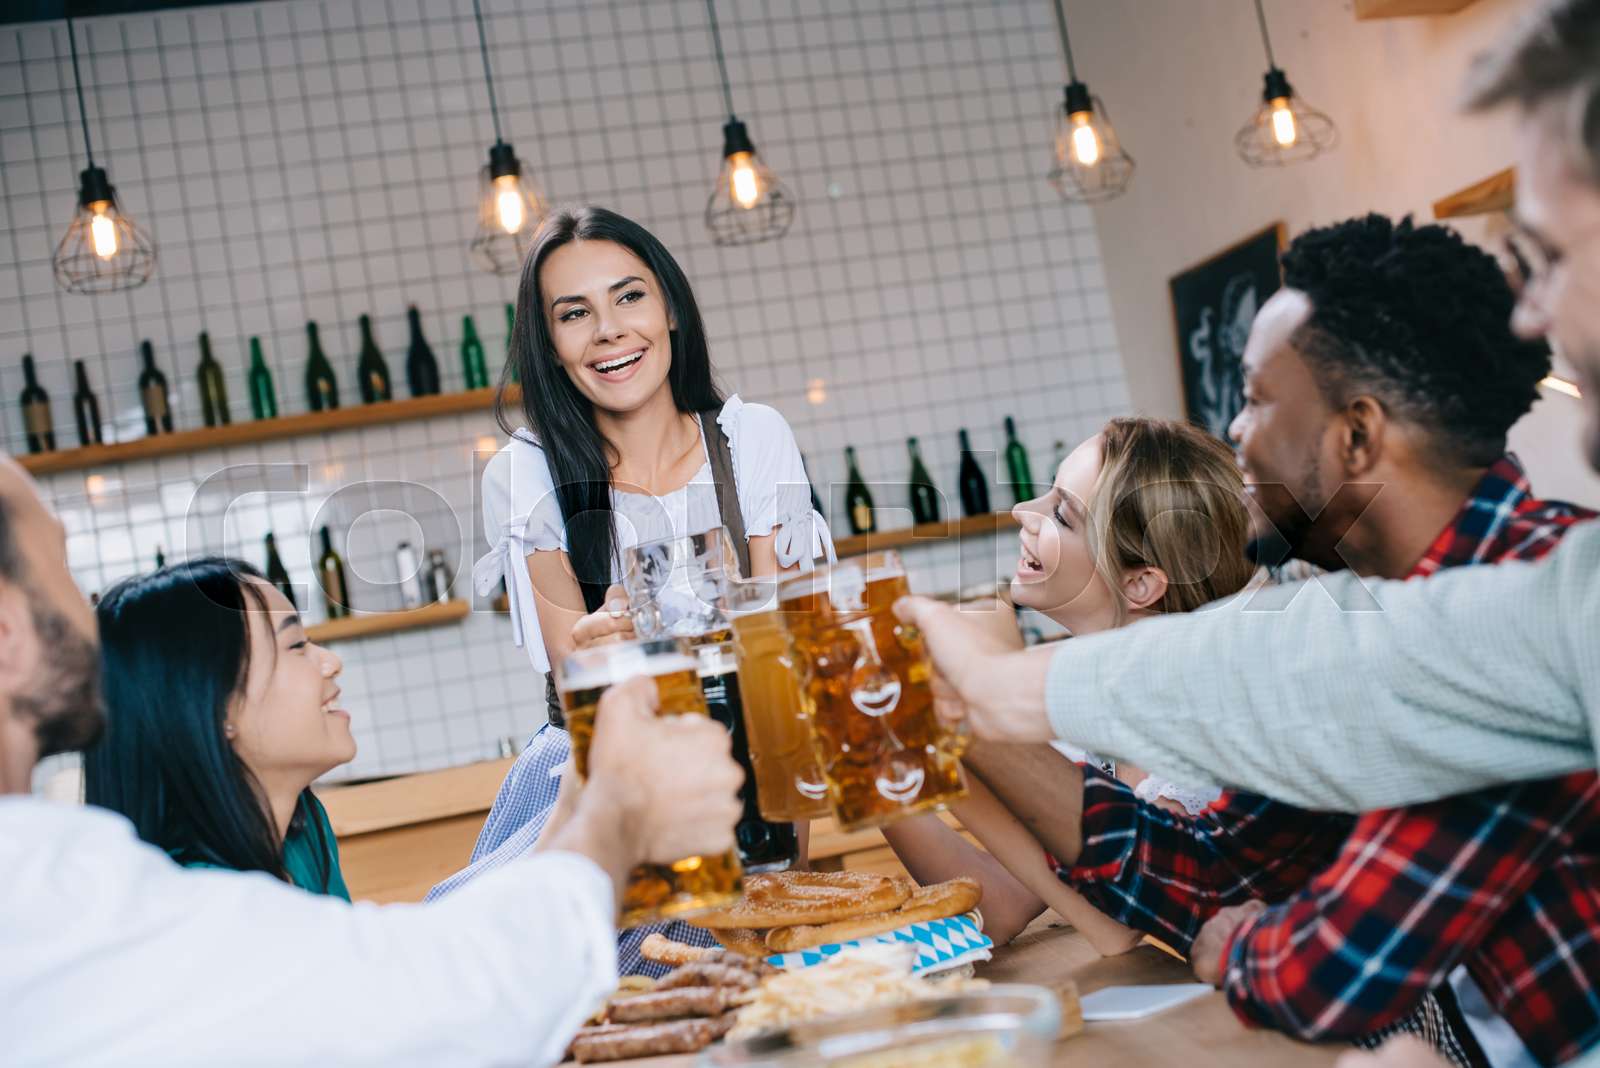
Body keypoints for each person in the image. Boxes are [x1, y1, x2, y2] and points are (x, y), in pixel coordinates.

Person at [894, 0, 1600, 816]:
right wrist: (997, 690)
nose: (1531, 316)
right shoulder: (1550, 597)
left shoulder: (1534, 579)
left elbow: (1329, 931)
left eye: (1547, 257)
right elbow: (1309, 665)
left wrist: (998, 687)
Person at [941, 215, 1597, 1067]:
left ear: (1355, 434)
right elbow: (1219, 863)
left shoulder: (1526, 601)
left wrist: (1242, 949)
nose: (1235, 433)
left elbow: (1344, 966)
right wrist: (968, 697)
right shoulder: (1363, 613)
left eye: (1254, 398)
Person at [0, 455, 746, 1065]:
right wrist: (616, 807)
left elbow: (400, 989)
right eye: (63, 567)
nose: (84, 606)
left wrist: (593, 754)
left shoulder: (263, 843)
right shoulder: (97, 907)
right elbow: (438, 996)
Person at [450, 205, 833, 971]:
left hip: (744, 777)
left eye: (629, 297)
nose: (609, 331)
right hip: (591, 791)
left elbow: (779, 661)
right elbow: (576, 681)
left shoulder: (751, 442)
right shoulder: (526, 472)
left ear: (670, 310)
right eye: (574, 313)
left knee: (712, 1001)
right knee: (506, 986)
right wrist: (607, 646)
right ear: (550, 347)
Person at [881, 416, 1255, 952]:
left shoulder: (1194, 719)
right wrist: (873, 761)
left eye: (1061, 513)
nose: (1021, 513)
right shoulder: (1084, 701)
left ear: (1140, 582)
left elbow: (1122, 927)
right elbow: (1006, 902)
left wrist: (961, 718)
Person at [84, 559, 353, 898]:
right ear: (216, 707)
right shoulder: (197, 901)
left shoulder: (304, 832)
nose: (332, 662)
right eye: (296, 645)